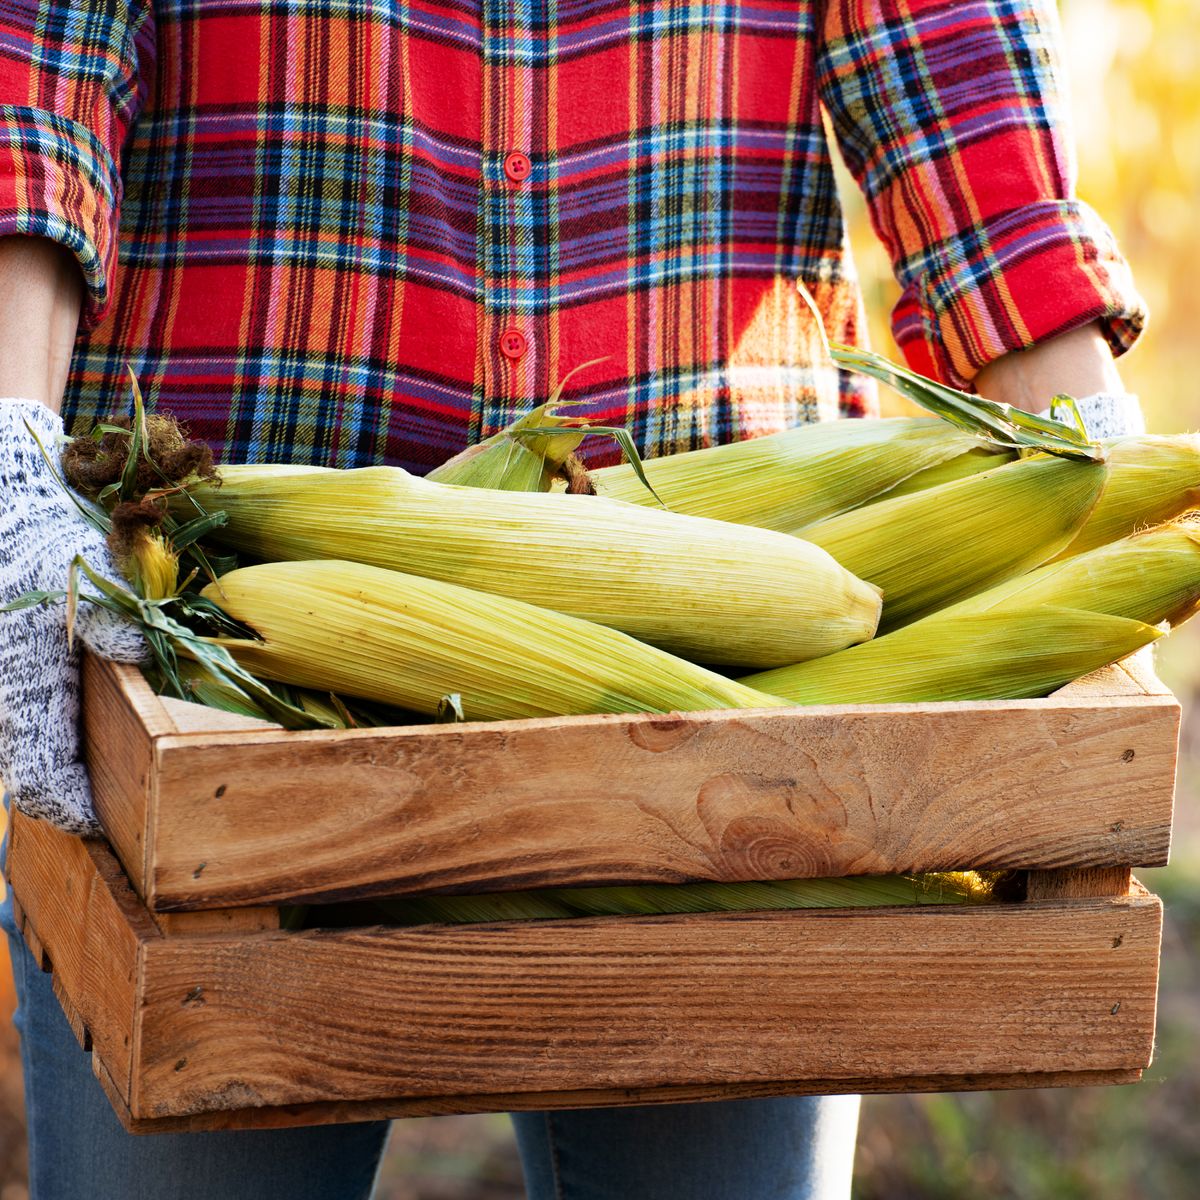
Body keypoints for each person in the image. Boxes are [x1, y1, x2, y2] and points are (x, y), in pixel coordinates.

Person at [0, 1, 1146, 1197]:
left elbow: (952, 58)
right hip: (220, 633)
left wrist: (1084, 458)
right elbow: (38, 56)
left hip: (734, 662)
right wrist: (8, 443)